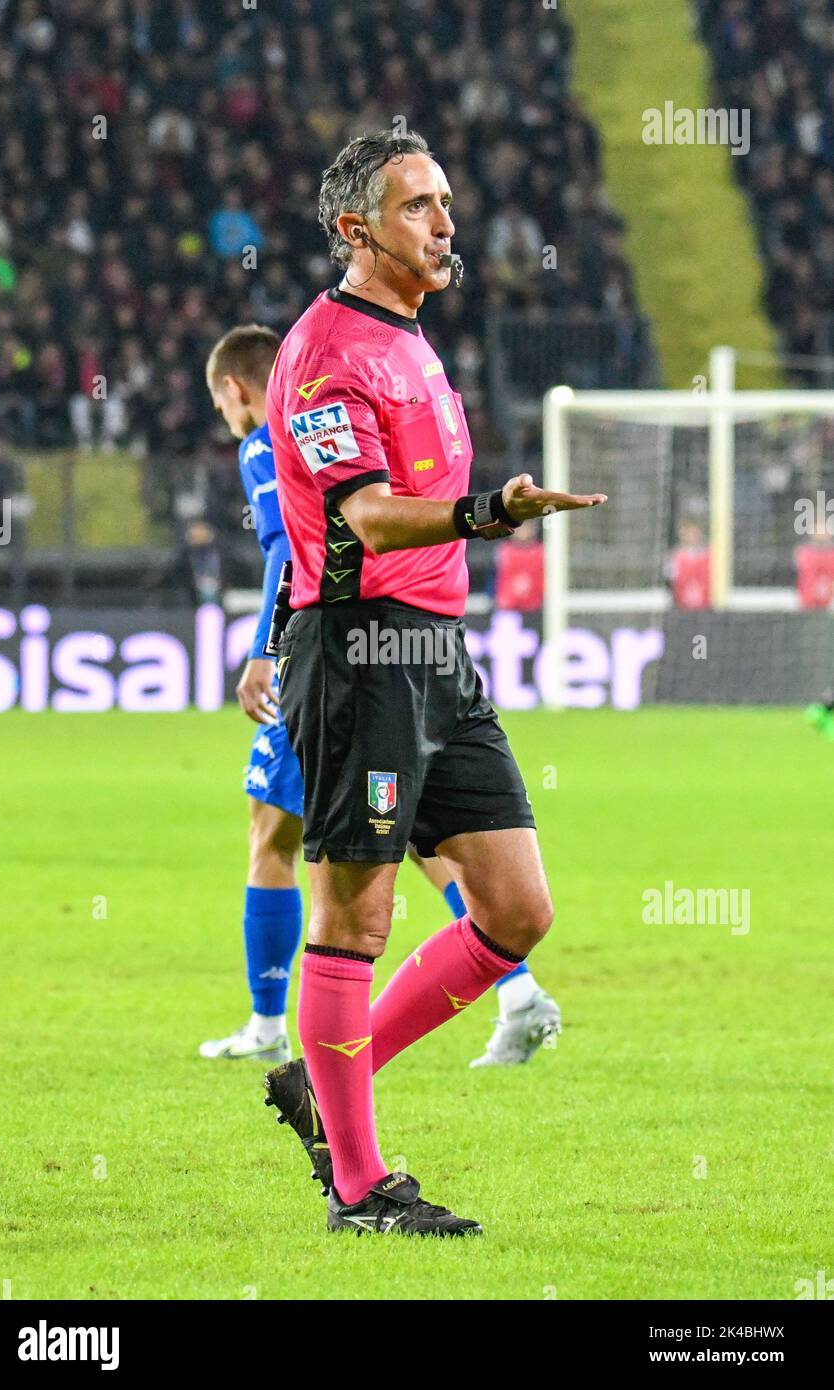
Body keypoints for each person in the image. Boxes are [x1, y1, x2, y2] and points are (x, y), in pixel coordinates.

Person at [263, 130, 606, 1236]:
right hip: (360, 651)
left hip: (433, 650)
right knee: (354, 914)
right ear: (358, 230)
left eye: (445, 201)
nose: (445, 222)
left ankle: (324, 1084)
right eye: (418, 206)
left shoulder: (410, 339)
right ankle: (359, 1191)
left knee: (515, 907)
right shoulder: (324, 353)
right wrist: (484, 513)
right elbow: (357, 516)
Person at [202, 324, 561, 1067]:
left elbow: (282, 551)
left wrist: (266, 653)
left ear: (236, 388)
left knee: (275, 833)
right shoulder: (348, 414)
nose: (228, 418)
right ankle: (518, 991)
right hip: (403, 649)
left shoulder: (268, 438)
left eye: (222, 403)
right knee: (404, 829)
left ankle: (272, 1027)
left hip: (331, 656)